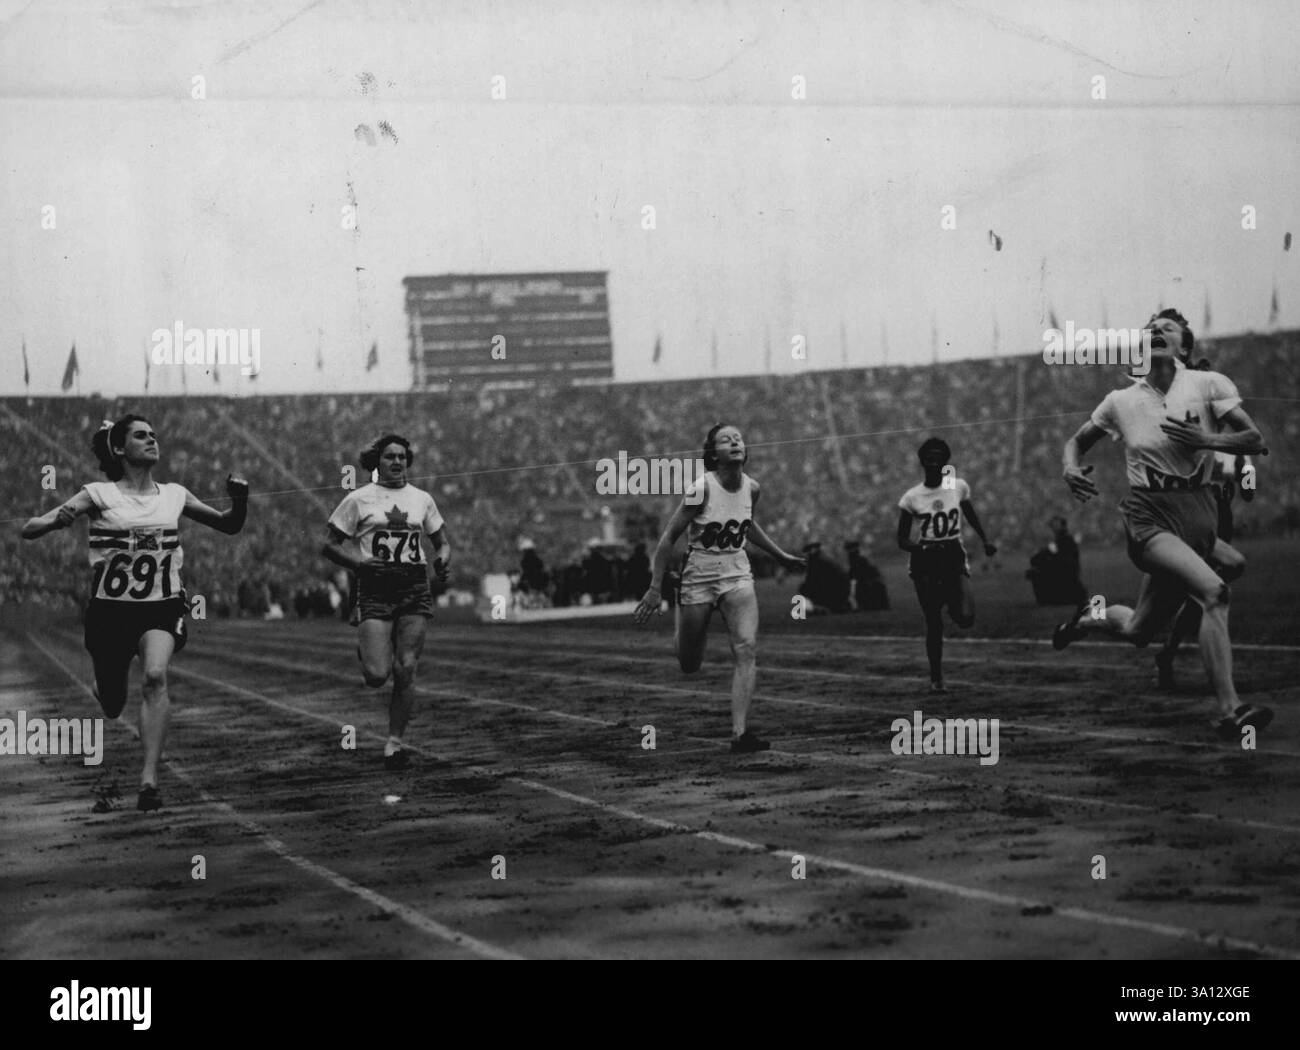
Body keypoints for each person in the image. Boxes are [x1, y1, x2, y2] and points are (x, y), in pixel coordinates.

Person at [1053, 315, 1271, 737]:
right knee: (1214, 591)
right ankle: (1231, 710)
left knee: (1138, 630)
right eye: (1150, 327)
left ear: (1185, 347)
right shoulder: (1120, 400)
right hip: (1149, 515)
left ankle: (1086, 617)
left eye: (1167, 328)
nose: (1156, 330)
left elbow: (1254, 440)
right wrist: (1069, 467)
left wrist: (1206, 441)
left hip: (1200, 512)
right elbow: (1076, 441)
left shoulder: (1209, 384)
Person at [20, 415, 248, 812]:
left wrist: (240, 500)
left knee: (156, 678)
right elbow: (29, 528)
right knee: (111, 703)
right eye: (141, 436)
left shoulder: (175, 494)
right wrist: (56, 519)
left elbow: (229, 526)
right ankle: (104, 684)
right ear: (120, 449)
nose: (152, 440)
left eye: (154, 434)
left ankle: (148, 781)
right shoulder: (99, 494)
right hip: (111, 613)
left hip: (162, 606)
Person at [633, 423, 805, 753]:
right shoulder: (701, 489)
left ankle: (740, 733)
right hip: (698, 575)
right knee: (689, 663)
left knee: (746, 648)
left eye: (739, 438)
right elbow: (669, 538)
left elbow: (747, 524)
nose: (735, 442)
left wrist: (781, 555)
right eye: (726, 440)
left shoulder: (752, 488)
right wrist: (656, 588)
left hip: (737, 573)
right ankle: (681, 616)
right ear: (714, 453)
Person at [322, 434, 450, 770]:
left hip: (413, 586)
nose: (397, 462)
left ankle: (394, 742)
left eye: (402, 457)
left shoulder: (422, 499)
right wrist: (359, 563)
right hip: (375, 588)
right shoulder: (359, 499)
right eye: (390, 457)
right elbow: (329, 544)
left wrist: (443, 559)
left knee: (406, 667)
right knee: (378, 674)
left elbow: (442, 542)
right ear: (377, 462)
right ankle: (367, 648)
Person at [896, 437, 998, 692]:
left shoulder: (958, 486)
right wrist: (921, 548)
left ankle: (950, 598)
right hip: (926, 560)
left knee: (965, 617)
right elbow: (902, 539)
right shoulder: (912, 497)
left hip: (952, 553)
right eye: (929, 458)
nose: (934, 462)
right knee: (934, 621)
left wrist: (985, 540)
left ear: (945, 461)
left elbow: (970, 513)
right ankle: (936, 677)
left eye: (939, 457)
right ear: (922, 462)